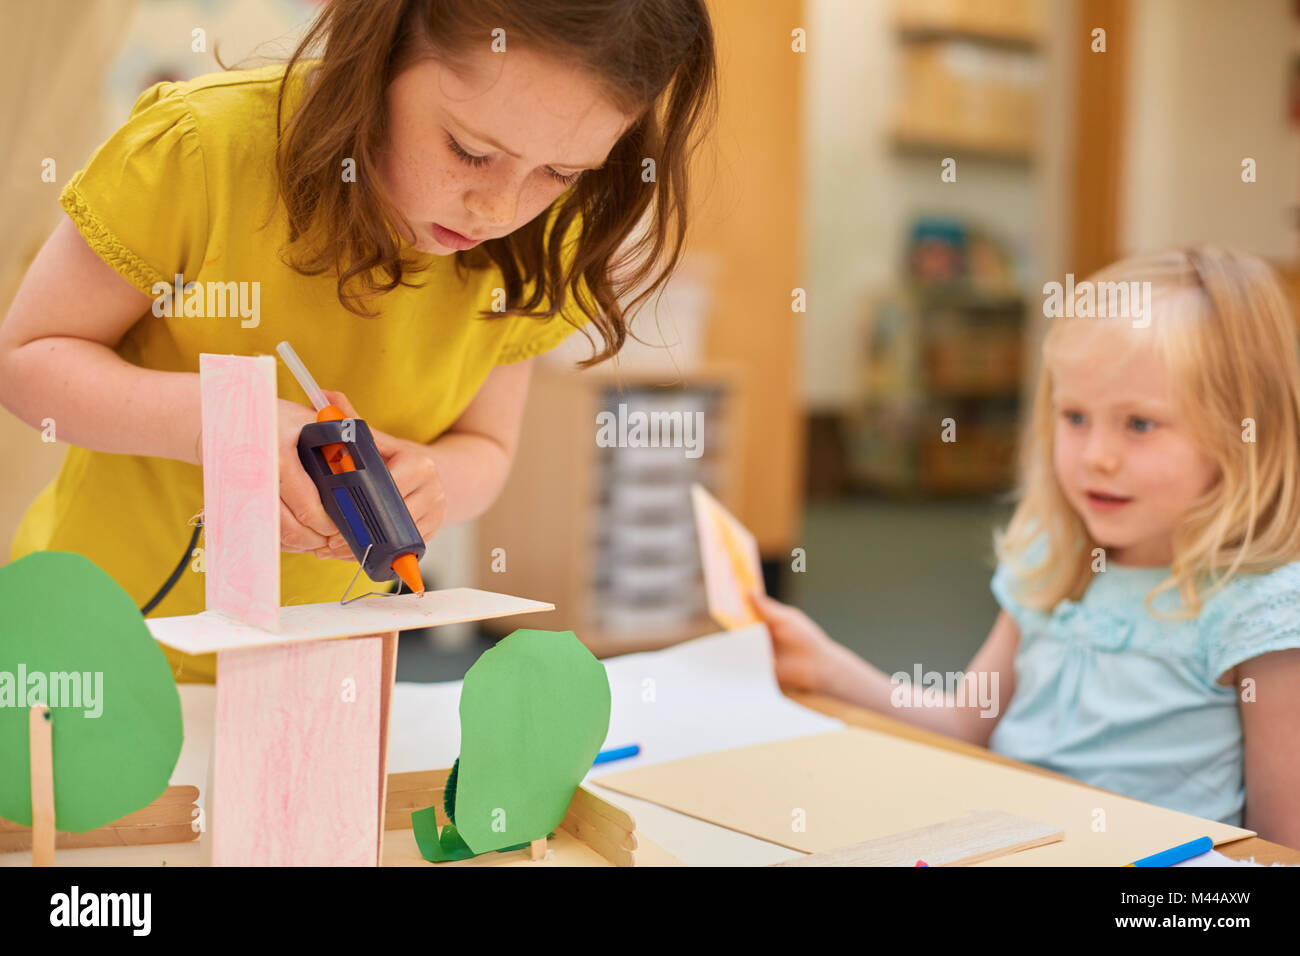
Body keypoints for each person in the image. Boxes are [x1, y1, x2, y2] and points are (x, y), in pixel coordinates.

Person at [0, 0, 717, 683]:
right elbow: (26, 361)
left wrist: (433, 482)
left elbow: (486, 449)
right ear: (378, 52)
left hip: (319, 666)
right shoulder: (202, 152)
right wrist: (222, 425)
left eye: (562, 173)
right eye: (470, 151)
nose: (499, 208)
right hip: (97, 639)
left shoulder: (540, 243)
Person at [752, 246, 1300, 847]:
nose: (1097, 456)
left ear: (1243, 433)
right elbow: (966, 723)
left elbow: (1281, 846)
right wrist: (826, 664)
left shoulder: (1258, 609)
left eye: (1139, 424)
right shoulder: (1053, 562)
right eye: (1074, 417)